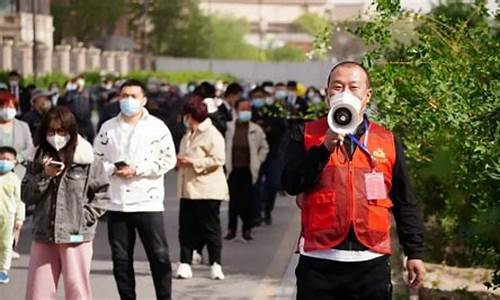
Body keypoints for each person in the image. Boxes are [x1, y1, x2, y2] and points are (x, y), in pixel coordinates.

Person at [281, 61, 426, 299]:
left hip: (371, 261)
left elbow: (404, 199)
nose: (345, 93)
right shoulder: (306, 134)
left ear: (367, 95)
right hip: (319, 262)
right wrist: (323, 148)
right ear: (327, 93)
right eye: (337, 87)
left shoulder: (386, 140)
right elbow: (290, 183)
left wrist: (415, 252)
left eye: (353, 87)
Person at [94, 79, 176, 300]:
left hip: (147, 201)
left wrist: (138, 170)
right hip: (118, 203)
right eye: (124, 96)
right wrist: (113, 168)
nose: (128, 100)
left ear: (144, 100)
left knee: (159, 256)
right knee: (121, 260)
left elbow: (169, 159)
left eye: (133, 96)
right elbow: (96, 159)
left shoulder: (157, 127)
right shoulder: (108, 128)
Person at [21, 106, 109, 300]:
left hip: (77, 235)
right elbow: (26, 195)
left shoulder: (87, 158)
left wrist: (85, 217)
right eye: (51, 131)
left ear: (71, 131)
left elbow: (103, 193)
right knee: (38, 292)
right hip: (44, 233)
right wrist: (45, 175)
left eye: (61, 131)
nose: (56, 136)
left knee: (77, 289)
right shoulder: (36, 157)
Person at [175, 96, 228, 280]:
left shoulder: (212, 134)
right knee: (186, 228)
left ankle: (215, 264)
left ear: (191, 115)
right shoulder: (188, 134)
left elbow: (219, 159)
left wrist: (193, 162)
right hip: (187, 189)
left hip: (207, 190)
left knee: (210, 228)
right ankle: (184, 263)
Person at [224, 99, 269, 241]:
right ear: (236, 110)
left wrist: (258, 160)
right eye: (243, 109)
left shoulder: (255, 129)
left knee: (247, 201)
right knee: (233, 201)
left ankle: (247, 229)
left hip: (248, 170)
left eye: (248, 109)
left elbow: (264, 147)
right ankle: (231, 228)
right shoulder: (229, 128)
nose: (246, 112)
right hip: (233, 169)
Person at [0, 146, 25, 284]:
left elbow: (20, 200)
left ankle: (3, 270)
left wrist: (19, 218)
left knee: (5, 245)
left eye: (8, 160)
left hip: (8, 218)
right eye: (1, 159)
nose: (4, 162)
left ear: (15, 162)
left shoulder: (15, 179)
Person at [0, 91, 34, 176]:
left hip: (19, 173)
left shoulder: (23, 126)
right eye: (3, 106)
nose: (7, 109)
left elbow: (30, 147)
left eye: (10, 107)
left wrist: (18, 158)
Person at [58, 76, 95, 142]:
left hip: (86, 120)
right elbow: (63, 102)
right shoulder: (70, 93)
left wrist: (89, 113)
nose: (79, 83)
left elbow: (92, 104)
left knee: (90, 136)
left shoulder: (88, 93)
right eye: (78, 81)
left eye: (81, 81)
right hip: (75, 120)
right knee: (76, 138)